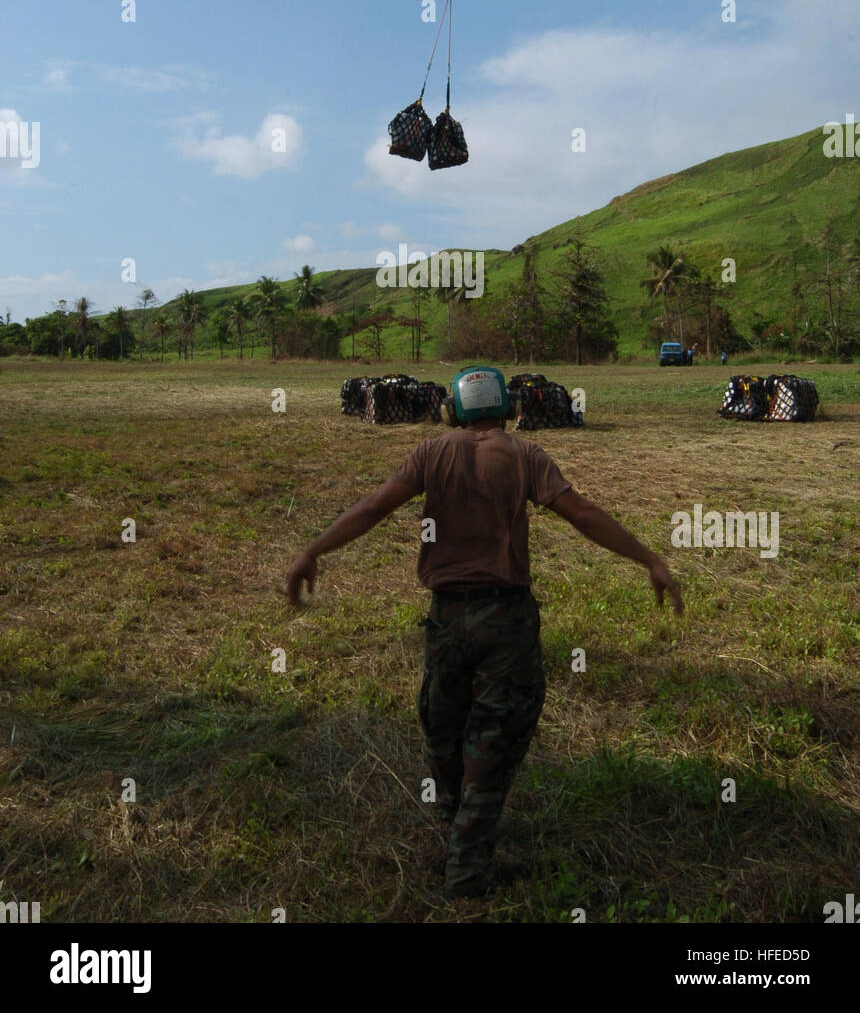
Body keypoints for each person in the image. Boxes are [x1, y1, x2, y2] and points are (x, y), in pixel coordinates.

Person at [285, 366, 683, 900]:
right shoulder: (525, 457)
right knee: (494, 741)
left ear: (453, 410)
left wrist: (314, 549)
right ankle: (468, 871)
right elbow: (582, 513)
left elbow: (374, 507)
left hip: (446, 618)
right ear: (508, 409)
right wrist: (649, 558)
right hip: (506, 618)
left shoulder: (430, 454)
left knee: (445, 736)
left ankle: (457, 839)